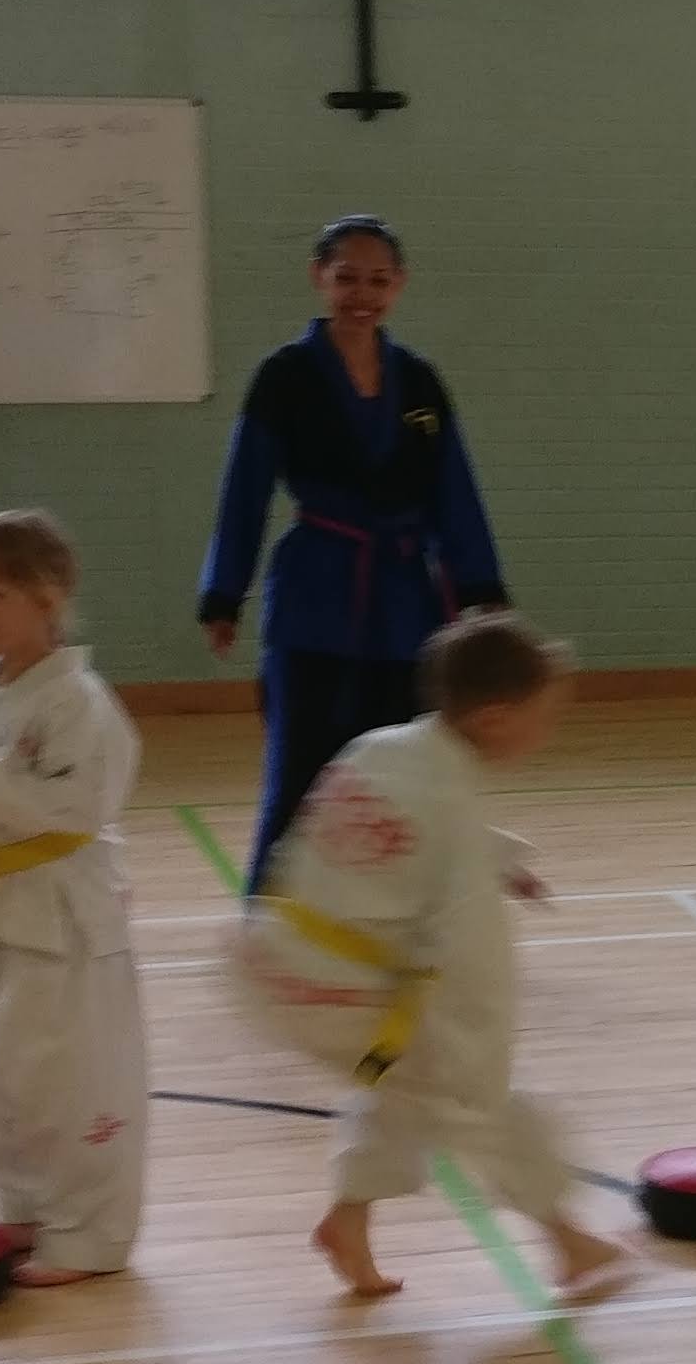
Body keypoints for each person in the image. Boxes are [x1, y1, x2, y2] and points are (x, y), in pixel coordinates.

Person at [237, 607, 630, 1309]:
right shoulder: (450, 801)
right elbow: (473, 961)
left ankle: (348, 1219)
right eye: (544, 716)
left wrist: (498, 860)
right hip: (337, 991)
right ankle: (569, 1241)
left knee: (401, 1083)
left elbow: (402, 838)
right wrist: (478, 1053)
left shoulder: (385, 747)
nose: (549, 730)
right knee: (479, 1099)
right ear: (496, 719)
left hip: (271, 961)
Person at [198, 216, 510, 890]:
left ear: (398, 285)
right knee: (301, 773)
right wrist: (224, 594)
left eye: (377, 281)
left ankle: (395, 917)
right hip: (315, 596)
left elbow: (453, 489)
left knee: (404, 772)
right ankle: (269, 918)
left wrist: (481, 590)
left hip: (406, 605)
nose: (361, 295)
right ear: (319, 277)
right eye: (346, 278)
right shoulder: (284, 377)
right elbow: (245, 488)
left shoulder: (419, 382)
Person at [0, 508, 149, 1287]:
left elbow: (81, 805)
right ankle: (22, 1206)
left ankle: (87, 1235)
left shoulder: (78, 701)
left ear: (48, 597)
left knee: (66, 1077)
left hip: (66, 913)